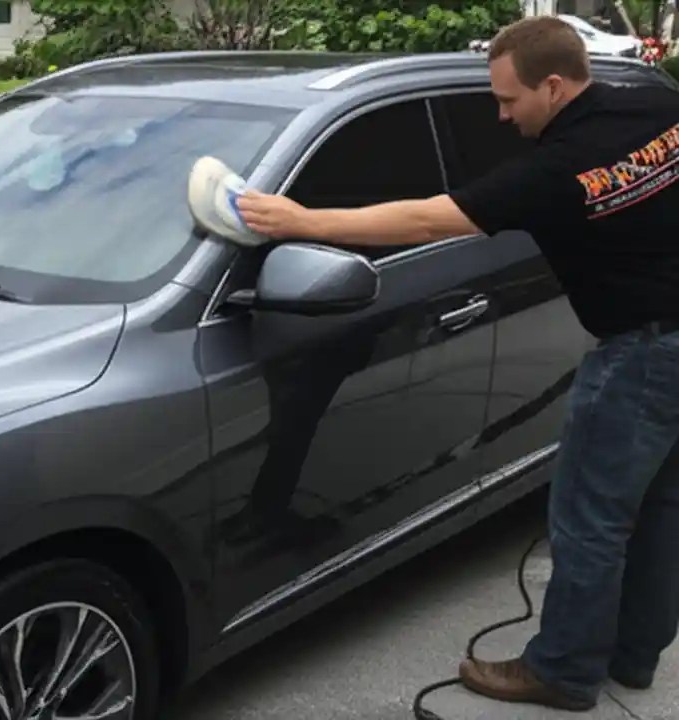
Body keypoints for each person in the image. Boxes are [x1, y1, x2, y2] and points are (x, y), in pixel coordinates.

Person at [189, 14, 679, 713]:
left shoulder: (550, 170)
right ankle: (634, 657)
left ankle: (563, 671)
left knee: (589, 518)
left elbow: (425, 221)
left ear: (554, 85)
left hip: (640, 354)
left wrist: (298, 221)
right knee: (659, 506)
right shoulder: (658, 104)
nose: (501, 115)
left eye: (509, 100)